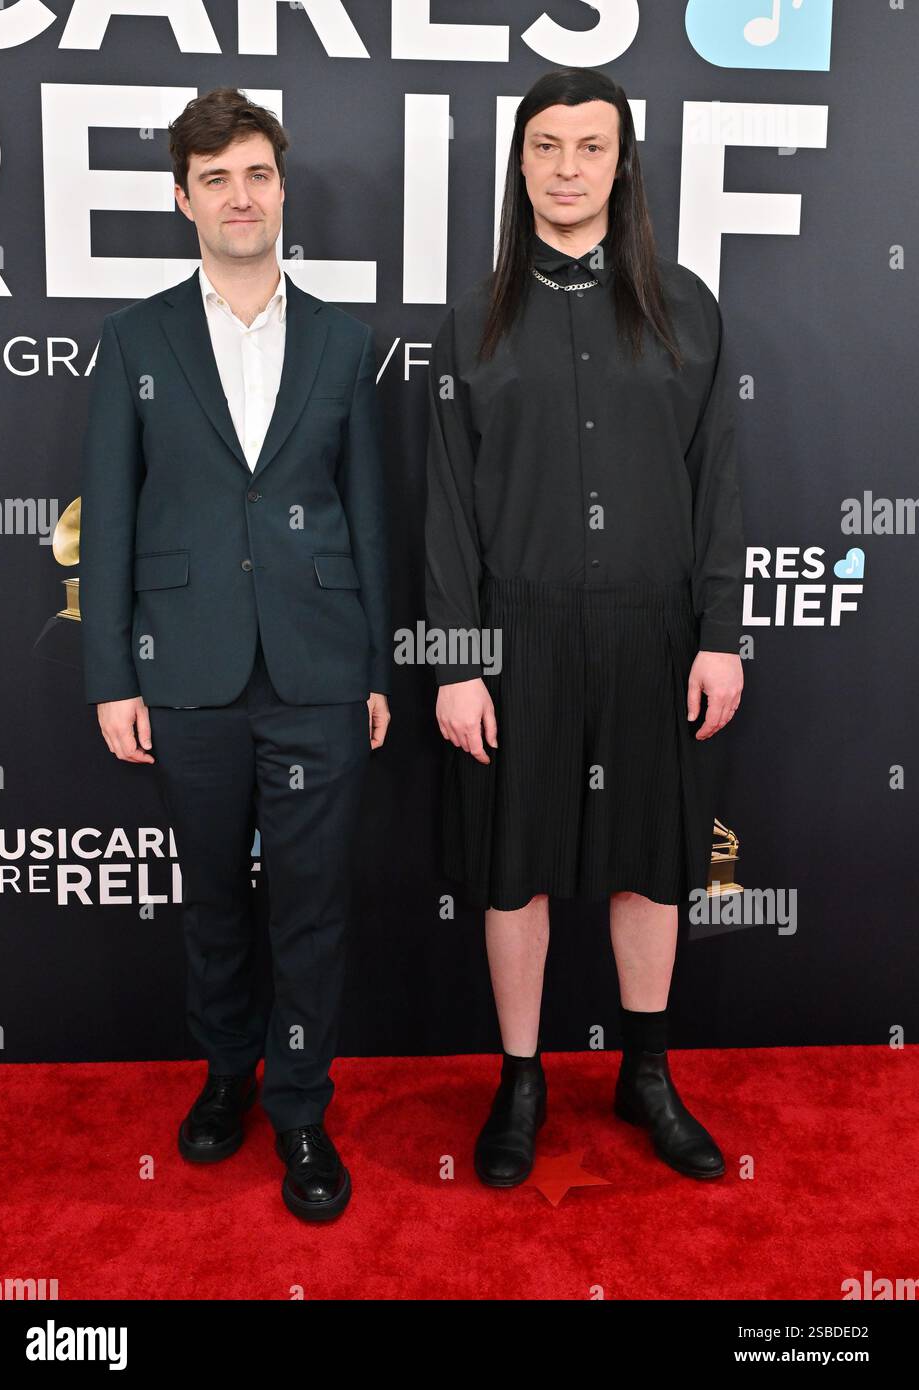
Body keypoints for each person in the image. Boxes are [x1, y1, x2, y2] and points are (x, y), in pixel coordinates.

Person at [425, 68, 745, 1185]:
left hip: (657, 635)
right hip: (516, 640)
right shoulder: (473, 319)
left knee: (650, 868)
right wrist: (458, 660)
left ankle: (645, 1071)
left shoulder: (688, 307)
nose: (567, 168)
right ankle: (521, 1079)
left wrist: (720, 633)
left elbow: (719, 482)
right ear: (518, 164)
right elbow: (447, 506)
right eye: (546, 146)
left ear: (623, 164)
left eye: (590, 147)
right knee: (512, 872)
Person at [79, 87, 391, 1222]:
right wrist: (111, 672)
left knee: (310, 903)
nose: (238, 193)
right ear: (183, 198)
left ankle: (301, 1107)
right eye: (214, 177)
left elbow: (368, 517)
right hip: (187, 668)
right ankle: (229, 1075)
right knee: (212, 896)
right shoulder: (134, 341)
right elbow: (108, 519)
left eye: (255, 172)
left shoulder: (347, 344)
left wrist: (373, 671)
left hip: (317, 670)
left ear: (280, 186)